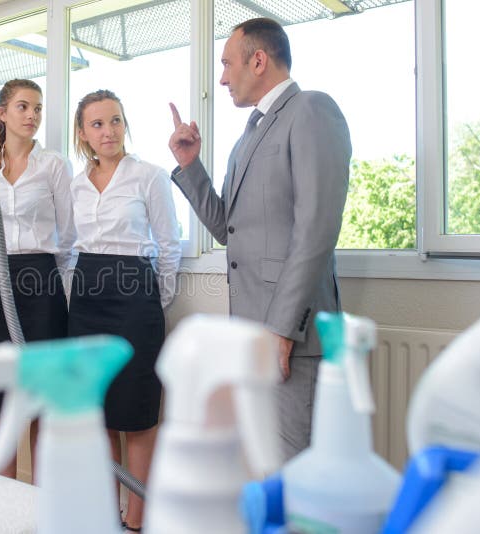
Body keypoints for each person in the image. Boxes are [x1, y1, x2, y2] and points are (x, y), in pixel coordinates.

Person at [168, 17, 351, 460]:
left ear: (259, 60)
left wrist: (282, 330)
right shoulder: (246, 138)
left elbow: (316, 229)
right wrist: (190, 166)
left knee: (294, 465)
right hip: (251, 332)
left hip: (290, 335)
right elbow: (226, 228)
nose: (222, 78)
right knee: (261, 462)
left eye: (227, 64)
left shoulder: (311, 110)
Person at [69, 89, 181, 533]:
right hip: (86, 298)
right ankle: (105, 515)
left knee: (136, 413)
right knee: (97, 412)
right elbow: (67, 246)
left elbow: (169, 245)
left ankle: (136, 520)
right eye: (97, 124)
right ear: (83, 133)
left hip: (135, 295)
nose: (108, 131)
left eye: (115, 120)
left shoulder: (149, 176)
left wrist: (152, 300)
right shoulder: (75, 185)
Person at [0, 79, 75, 479]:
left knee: (42, 398)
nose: (32, 115)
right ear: (2, 113)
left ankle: (42, 501)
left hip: (42, 283)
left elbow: (69, 233)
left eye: (38, 108)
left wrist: (44, 276)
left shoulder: (53, 165)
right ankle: (4, 499)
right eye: (23, 106)